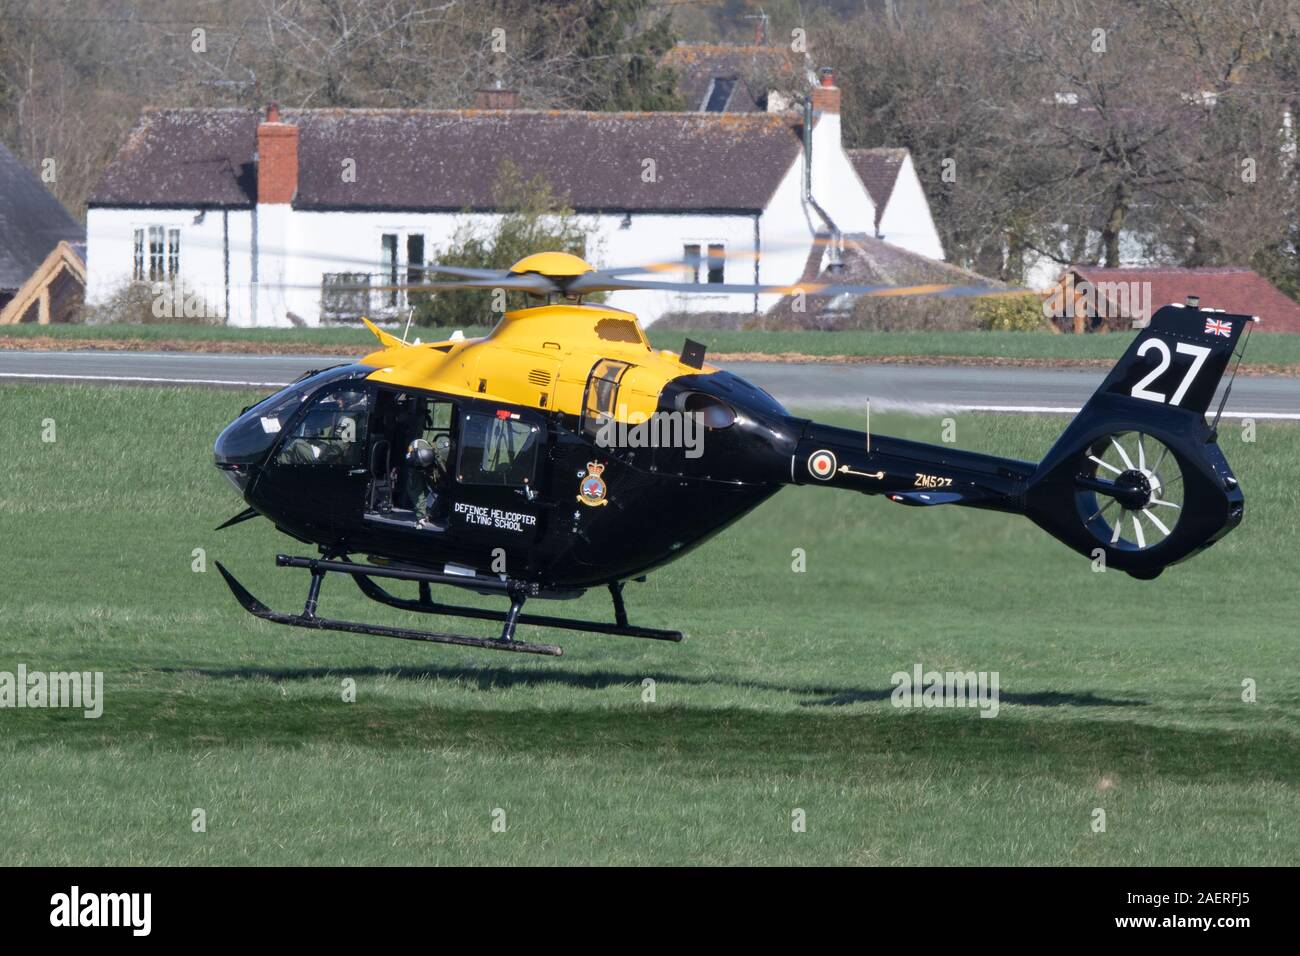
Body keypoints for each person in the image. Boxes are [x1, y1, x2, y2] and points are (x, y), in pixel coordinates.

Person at [405, 437, 447, 528]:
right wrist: (421, 516)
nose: (424, 469)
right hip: (438, 490)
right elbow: (416, 491)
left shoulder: (444, 453)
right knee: (430, 510)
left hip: (450, 487)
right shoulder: (414, 465)